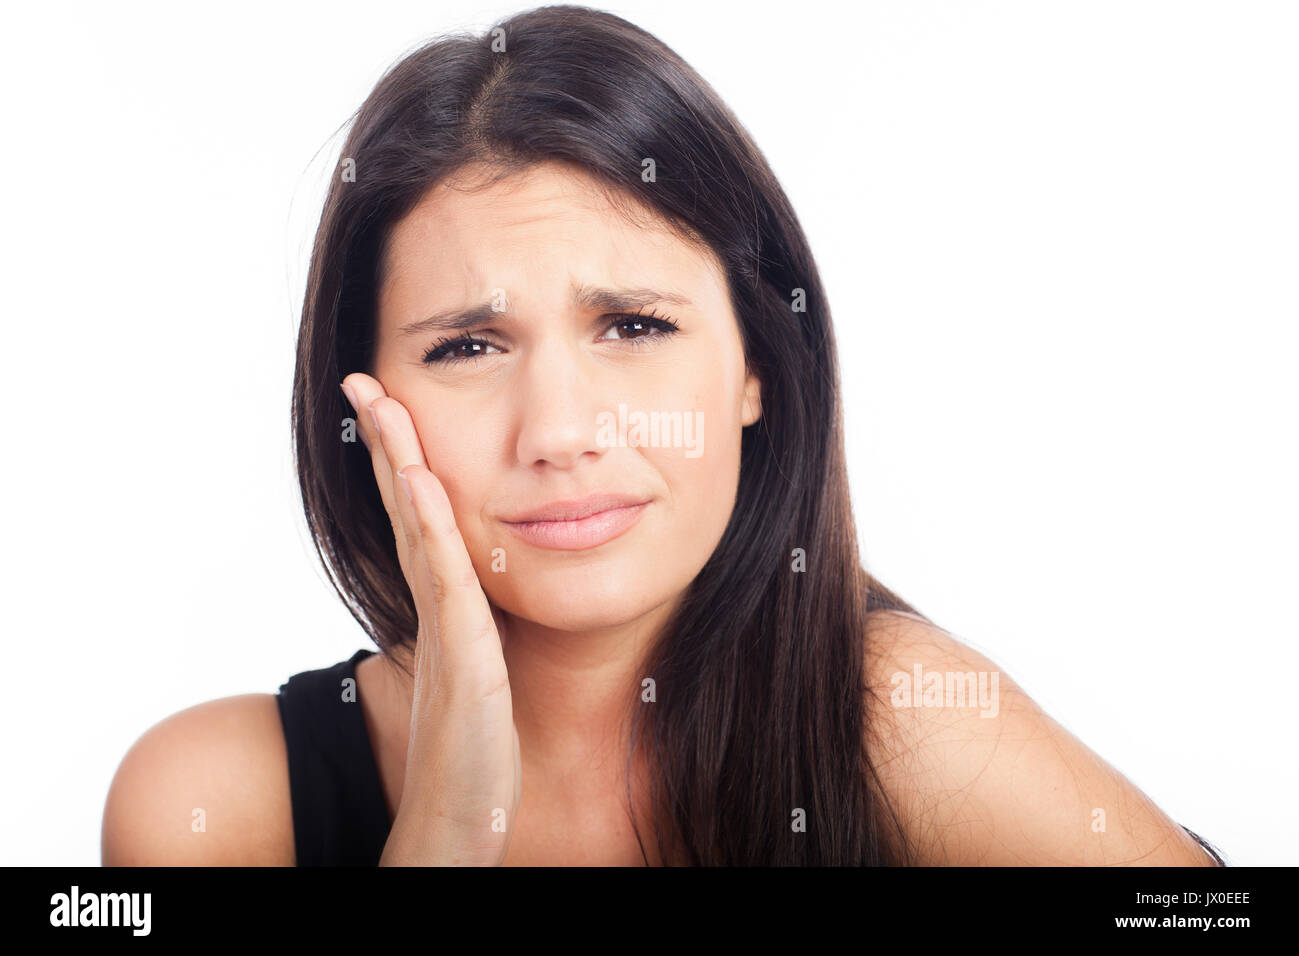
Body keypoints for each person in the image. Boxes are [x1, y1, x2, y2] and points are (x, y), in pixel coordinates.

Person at [101, 4, 1225, 867]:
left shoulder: (897, 722)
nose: (561, 430)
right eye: (466, 347)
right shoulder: (217, 801)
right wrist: (443, 833)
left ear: (754, 366)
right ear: (360, 404)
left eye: (633, 325)